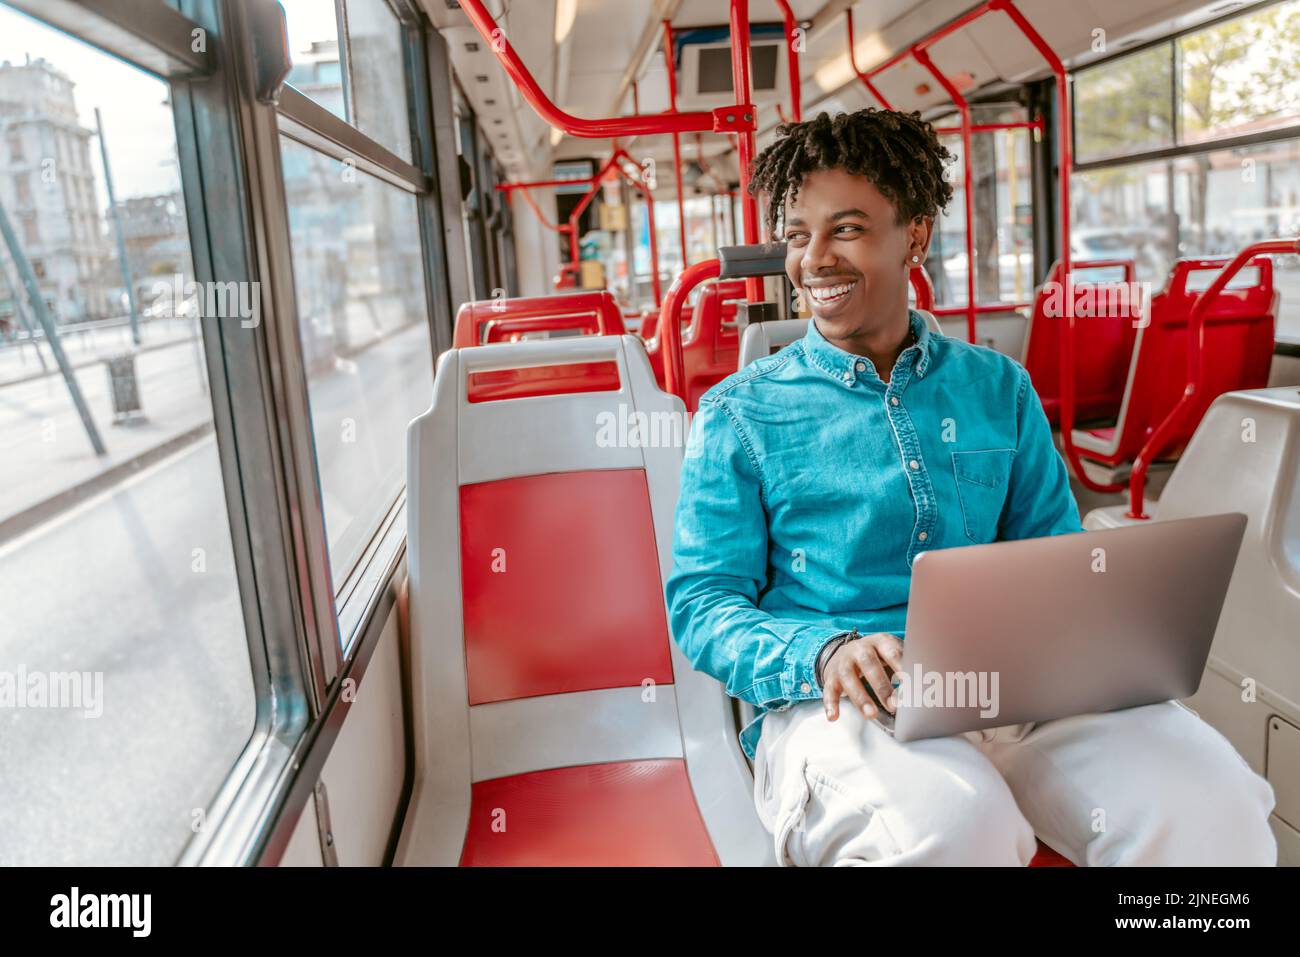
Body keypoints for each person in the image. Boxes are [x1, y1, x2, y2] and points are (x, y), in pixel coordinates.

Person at [665, 109, 1277, 866]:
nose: (813, 260)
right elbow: (703, 603)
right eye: (797, 235)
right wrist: (822, 652)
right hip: (839, 703)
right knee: (955, 828)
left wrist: (1102, 625)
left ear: (914, 235)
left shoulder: (998, 389)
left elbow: (1054, 552)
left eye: (846, 229)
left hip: (1018, 687)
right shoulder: (739, 413)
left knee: (1214, 803)